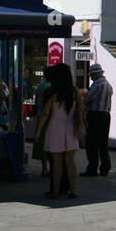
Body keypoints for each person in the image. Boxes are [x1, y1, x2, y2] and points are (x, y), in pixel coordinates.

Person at [37, 63, 81, 199]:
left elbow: (45, 113)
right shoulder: (74, 91)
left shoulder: (53, 92)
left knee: (57, 162)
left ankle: (56, 191)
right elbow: (82, 107)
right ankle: (72, 190)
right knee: (70, 161)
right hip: (70, 126)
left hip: (55, 127)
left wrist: (38, 131)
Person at [81, 63, 113, 177]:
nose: (91, 77)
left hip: (95, 115)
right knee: (103, 143)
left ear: (96, 74)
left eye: (92, 75)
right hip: (105, 115)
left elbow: (87, 99)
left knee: (92, 143)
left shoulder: (97, 84)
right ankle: (105, 167)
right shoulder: (108, 85)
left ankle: (92, 169)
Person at [32, 69, 54, 177]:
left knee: (42, 142)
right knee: (50, 142)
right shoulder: (52, 87)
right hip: (49, 116)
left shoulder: (40, 86)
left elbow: (36, 103)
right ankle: (52, 167)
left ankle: (44, 167)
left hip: (40, 113)